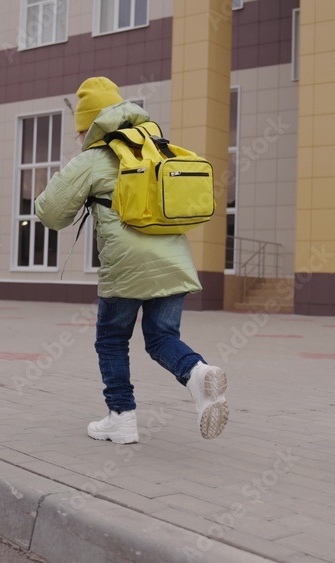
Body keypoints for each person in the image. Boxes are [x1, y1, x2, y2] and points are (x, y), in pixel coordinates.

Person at [36, 77, 229, 444]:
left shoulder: (93, 159)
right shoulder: (158, 146)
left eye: (80, 130)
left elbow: (50, 213)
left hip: (126, 267)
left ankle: (121, 418)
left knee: (111, 338)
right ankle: (198, 373)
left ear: (89, 126)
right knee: (161, 337)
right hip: (175, 263)